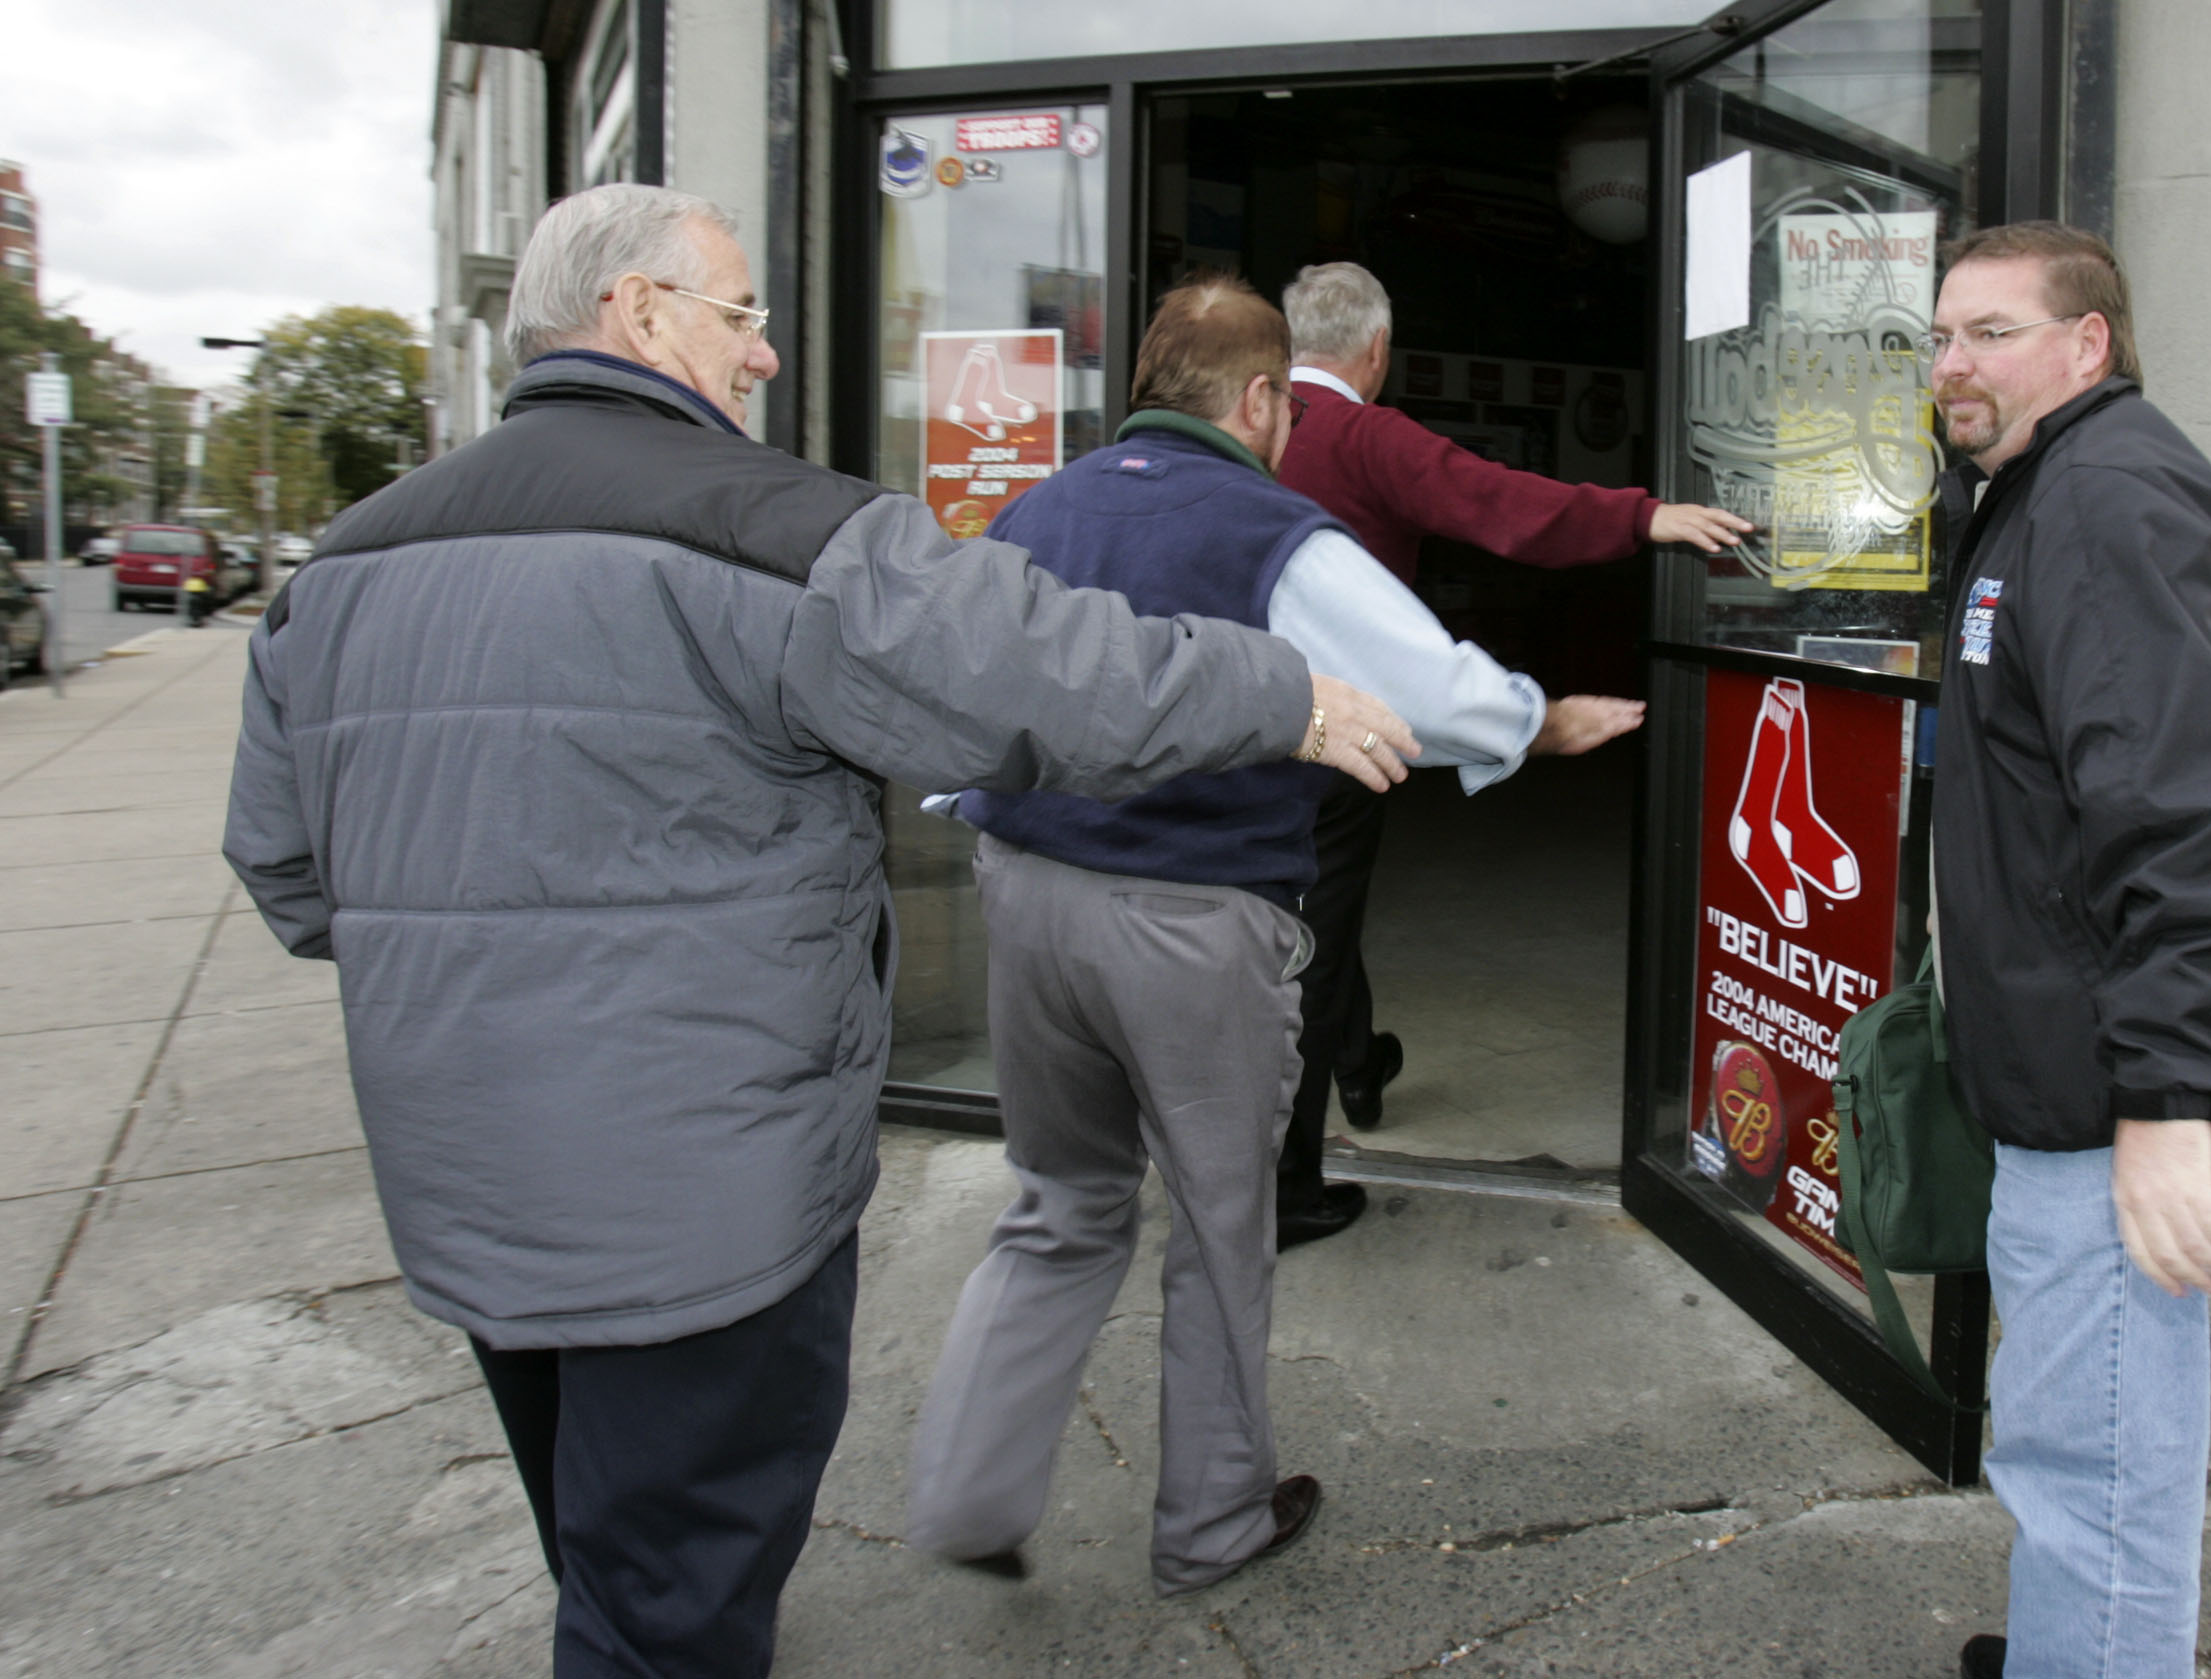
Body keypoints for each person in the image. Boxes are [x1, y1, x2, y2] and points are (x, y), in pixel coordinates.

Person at [220, 184, 1413, 1679]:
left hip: (466, 1187)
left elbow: (285, 873)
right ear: (641, 316)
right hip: (699, 1208)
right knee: (665, 1613)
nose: (769, 357)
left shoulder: (339, 566)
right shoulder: (771, 536)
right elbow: (1029, 666)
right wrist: (1283, 693)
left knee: (606, 1546)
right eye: (743, 315)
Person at [902, 274, 1642, 1595]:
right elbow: (1424, 685)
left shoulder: (1032, 506)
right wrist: (1537, 718)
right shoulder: (1279, 534)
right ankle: (1211, 1518)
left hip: (1024, 885)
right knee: (1222, 1216)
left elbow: (960, 685)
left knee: (1061, 1201)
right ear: (1259, 398)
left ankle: (966, 1487)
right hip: (1192, 916)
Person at [1922, 222, 2211, 1679]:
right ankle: (2082, 1639)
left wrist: (2167, 1103)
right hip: (2095, 1073)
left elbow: (2196, 819)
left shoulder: (2104, 501)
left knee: (2094, 1466)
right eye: (1939, 337)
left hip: (2122, 1091)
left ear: (2087, 344)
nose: (1952, 364)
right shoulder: (2042, 495)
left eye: (1992, 332)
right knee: (2092, 1438)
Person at [1270, 260, 1751, 1244]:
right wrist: (1641, 515)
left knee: (1313, 901)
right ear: (1375, 351)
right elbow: (1492, 501)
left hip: (1230, 713)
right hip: (1338, 731)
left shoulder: (1246, 430)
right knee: (1308, 939)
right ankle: (1285, 1181)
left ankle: (1358, 1064)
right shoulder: (1363, 432)